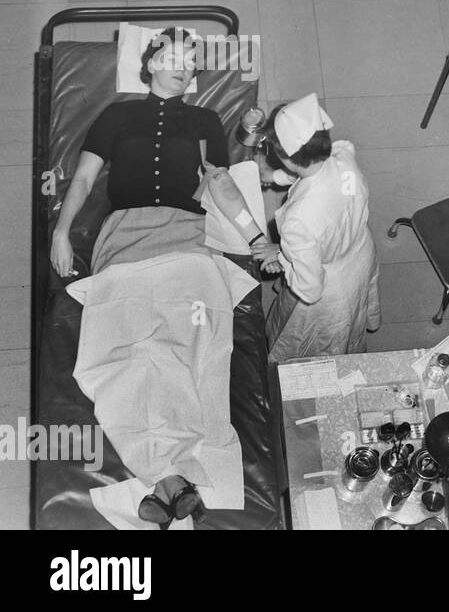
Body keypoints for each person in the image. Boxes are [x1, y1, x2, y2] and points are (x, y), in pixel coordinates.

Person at [49, 26, 262, 527]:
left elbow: (223, 184)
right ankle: (173, 479)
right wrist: (61, 234)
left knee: (192, 352)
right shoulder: (116, 116)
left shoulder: (205, 119)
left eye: (189, 61)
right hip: (123, 245)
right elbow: (82, 178)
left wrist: (256, 239)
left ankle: (164, 480)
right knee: (114, 358)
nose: (181, 66)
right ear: (148, 66)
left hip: (189, 248)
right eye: (170, 56)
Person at [252, 93, 381, 362]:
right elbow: (321, 174)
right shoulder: (343, 154)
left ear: (286, 157)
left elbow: (309, 288)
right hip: (357, 253)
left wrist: (283, 257)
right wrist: (275, 176)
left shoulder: (298, 221)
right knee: (352, 325)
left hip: (328, 287)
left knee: (316, 347)